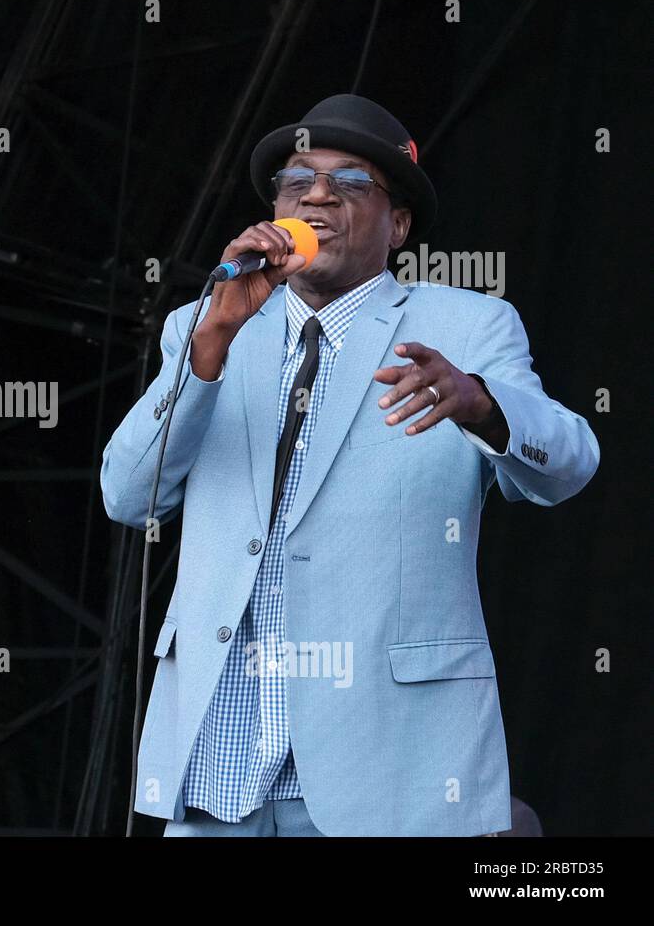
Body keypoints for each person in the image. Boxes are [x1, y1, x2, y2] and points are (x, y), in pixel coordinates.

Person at [101, 95, 599, 836]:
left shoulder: (468, 325)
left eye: (352, 182)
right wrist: (210, 350)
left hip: (384, 763)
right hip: (222, 753)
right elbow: (127, 494)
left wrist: (479, 402)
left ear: (398, 225)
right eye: (296, 180)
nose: (317, 194)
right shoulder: (206, 325)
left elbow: (568, 462)